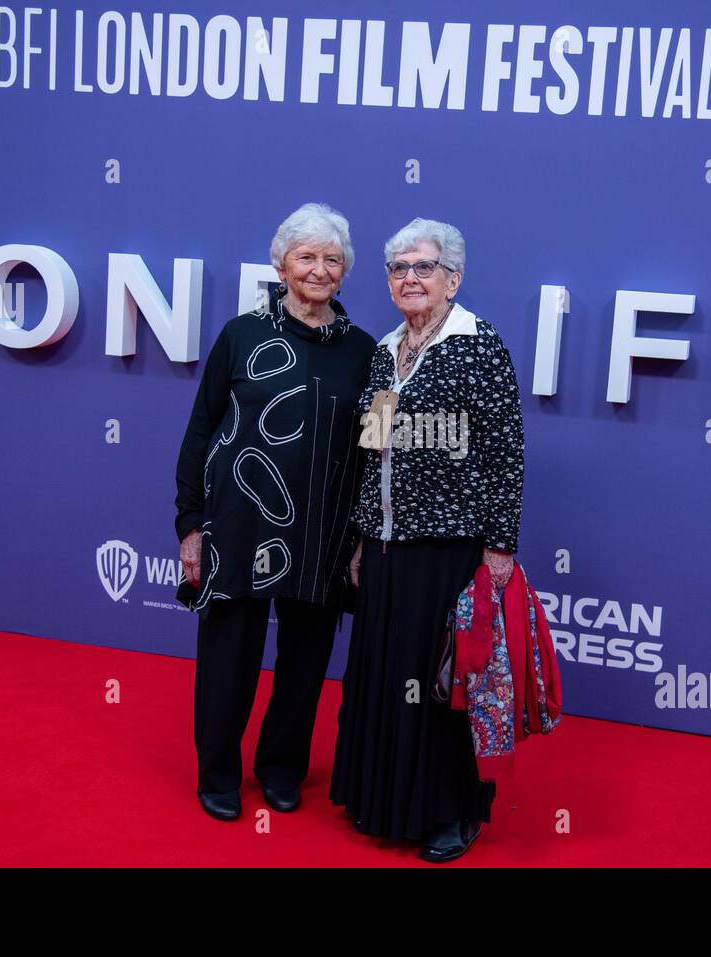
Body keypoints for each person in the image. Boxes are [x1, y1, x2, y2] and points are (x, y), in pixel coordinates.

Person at [329, 218, 525, 862]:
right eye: (398, 268)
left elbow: (505, 450)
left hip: (449, 547)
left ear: (453, 279)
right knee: (389, 675)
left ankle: (450, 813)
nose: (409, 278)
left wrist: (500, 546)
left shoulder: (477, 344)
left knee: (441, 681)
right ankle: (385, 801)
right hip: (385, 546)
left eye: (423, 267)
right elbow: (374, 448)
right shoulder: (387, 348)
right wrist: (363, 534)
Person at [174, 203, 376, 822]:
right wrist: (191, 524)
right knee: (228, 657)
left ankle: (282, 769)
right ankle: (217, 774)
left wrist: (363, 535)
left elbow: (378, 450)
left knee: (306, 661)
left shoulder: (370, 352)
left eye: (332, 259)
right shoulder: (241, 335)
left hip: (324, 531)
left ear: (345, 271)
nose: (319, 269)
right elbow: (201, 431)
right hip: (239, 523)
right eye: (305, 256)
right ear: (281, 265)